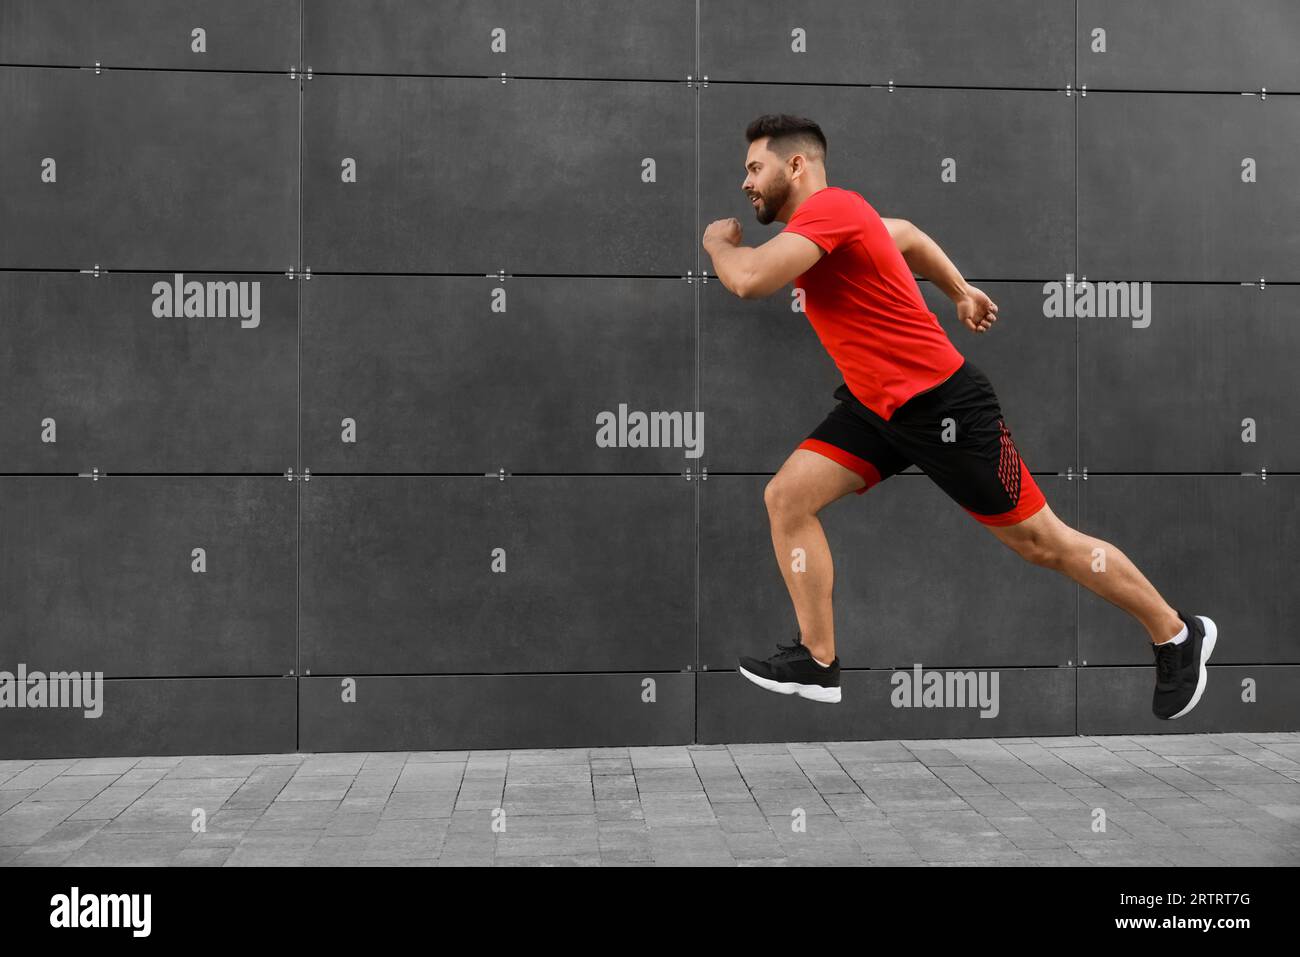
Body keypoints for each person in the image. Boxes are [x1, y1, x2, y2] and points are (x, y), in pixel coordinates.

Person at [701, 113, 1215, 718]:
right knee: (787, 498)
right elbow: (910, 235)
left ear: (796, 165)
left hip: (946, 406)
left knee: (1042, 544)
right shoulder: (842, 222)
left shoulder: (832, 208)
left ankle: (1178, 633)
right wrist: (961, 292)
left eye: (754, 167)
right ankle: (818, 661)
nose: (746, 182)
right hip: (877, 407)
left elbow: (750, 280)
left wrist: (718, 245)